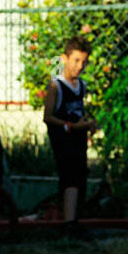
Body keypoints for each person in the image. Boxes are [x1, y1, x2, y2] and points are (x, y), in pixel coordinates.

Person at [42, 35, 96, 225]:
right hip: (63, 138)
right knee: (70, 176)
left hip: (78, 137)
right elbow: (47, 117)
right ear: (64, 59)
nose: (80, 66)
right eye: (76, 60)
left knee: (80, 176)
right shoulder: (56, 86)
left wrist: (87, 122)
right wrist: (70, 126)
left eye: (84, 61)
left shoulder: (81, 85)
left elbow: (78, 110)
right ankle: (69, 223)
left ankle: (72, 217)